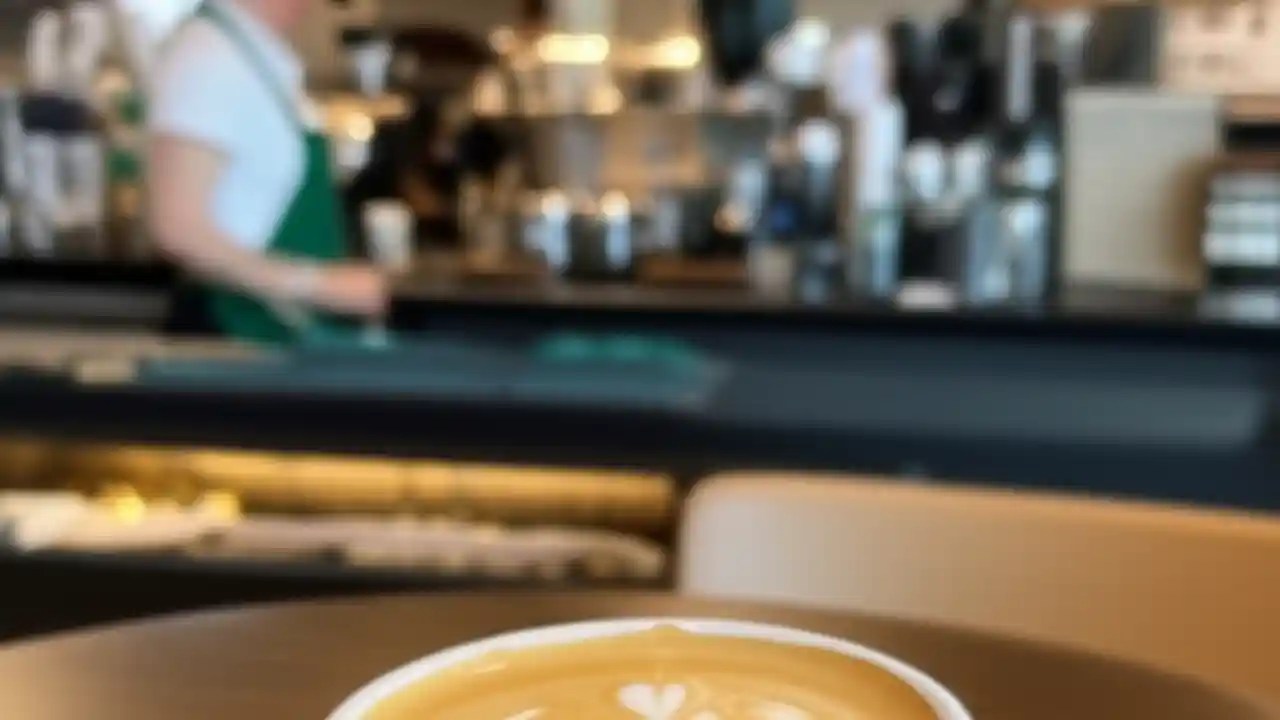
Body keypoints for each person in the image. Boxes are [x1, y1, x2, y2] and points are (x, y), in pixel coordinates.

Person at [148, 0, 388, 344]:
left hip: (277, 339)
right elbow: (176, 228)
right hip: (233, 342)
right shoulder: (206, 59)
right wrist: (317, 285)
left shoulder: (251, 53)